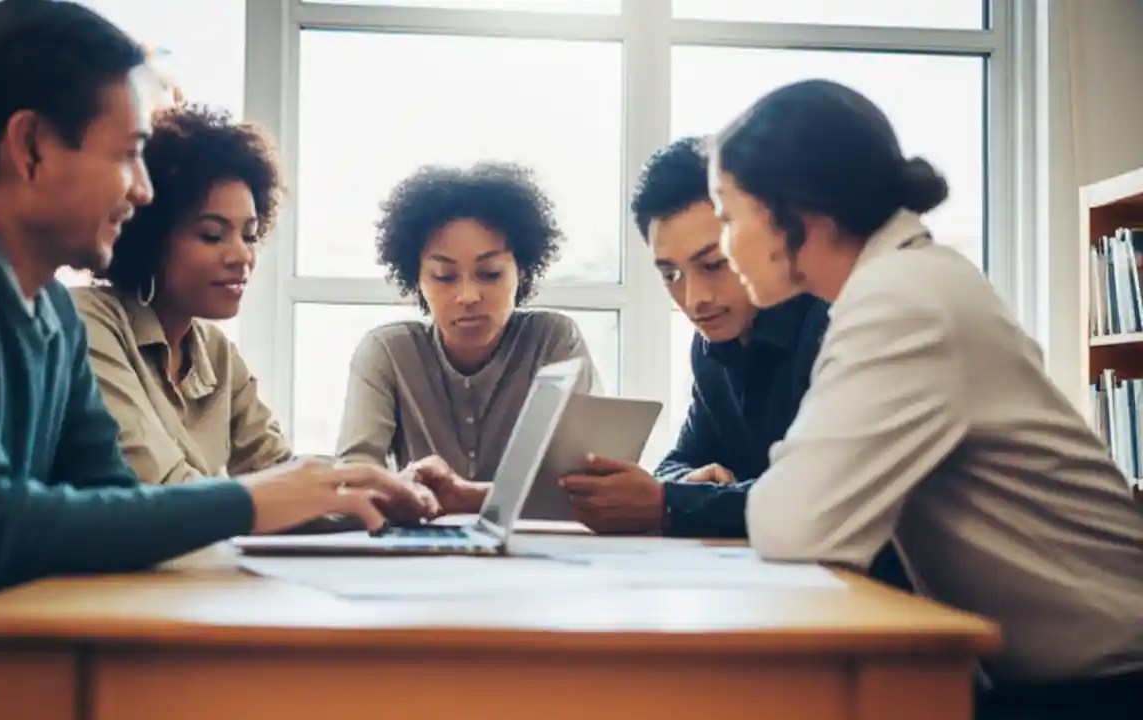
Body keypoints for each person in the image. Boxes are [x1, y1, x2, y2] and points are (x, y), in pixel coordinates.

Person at [0, 2, 426, 716]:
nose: (144, 188)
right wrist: (249, 500)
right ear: (30, 146)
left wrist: (339, 495)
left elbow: (117, 506)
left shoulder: (46, 314)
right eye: (127, 152)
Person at [710, 79, 1143, 718]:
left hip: (1103, 690)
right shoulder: (904, 283)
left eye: (726, 213)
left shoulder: (902, 299)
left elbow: (793, 526)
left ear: (796, 214)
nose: (723, 244)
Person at [558, 136, 828, 538]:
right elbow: (679, 462)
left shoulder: (829, 324)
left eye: (714, 265)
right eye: (670, 274)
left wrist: (669, 504)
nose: (694, 299)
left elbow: (818, 497)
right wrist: (682, 487)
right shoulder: (712, 345)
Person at [337, 162, 599, 513]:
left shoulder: (554, 340)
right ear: (417, 280)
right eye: (444, 276)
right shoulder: (387, 352)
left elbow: (583, 485)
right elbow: (354, 477)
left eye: (490, 274)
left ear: (522, 273)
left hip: (536, 552)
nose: (467, 296)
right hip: (420, 554)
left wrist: (467, 497)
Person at [73, 103, 294, 484]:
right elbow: (159, 487)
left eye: (250, 235)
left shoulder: (217, 354)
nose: (242, 255)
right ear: (150, 238)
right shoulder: (87, 322)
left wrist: (395, 492)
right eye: (212, 234)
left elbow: (284, 474)